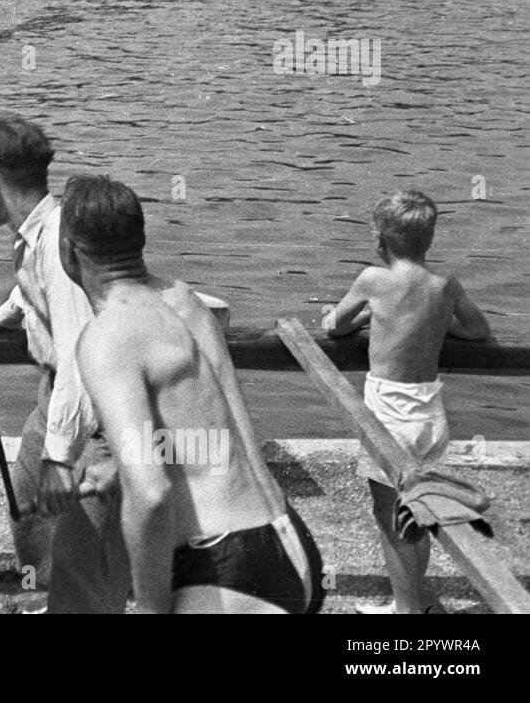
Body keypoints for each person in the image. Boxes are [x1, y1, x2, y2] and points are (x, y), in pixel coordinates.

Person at [38, 175, 324, 613]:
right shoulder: (186, 301)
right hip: (286, 539)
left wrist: (152, 609)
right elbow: (216, 430)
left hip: (222, 563)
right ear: (142, 240)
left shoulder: (106, 336)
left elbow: (150, 493)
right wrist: (121, 464)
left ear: (67, 252)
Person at [0, 117, 131, 613]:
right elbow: (38, 289)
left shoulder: (57, 240)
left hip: (90, 409)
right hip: (53, 393)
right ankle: (43, 591)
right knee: (29, 503)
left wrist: (62, 455)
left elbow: (82, 350)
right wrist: (5, 315)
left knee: (89, 544)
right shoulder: (40, 231)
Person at [322, 191, 489, 614]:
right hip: (430, 414)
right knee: (420, 511)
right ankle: (414, 604)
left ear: (380, 241)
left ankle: (406, 611)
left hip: (389, 414)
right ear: (429, 240)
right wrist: (436, 324)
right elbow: (477, 331)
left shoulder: (373, 280)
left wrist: (357, 318)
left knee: (390, 520)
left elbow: (338, 327)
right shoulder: (444, 285)